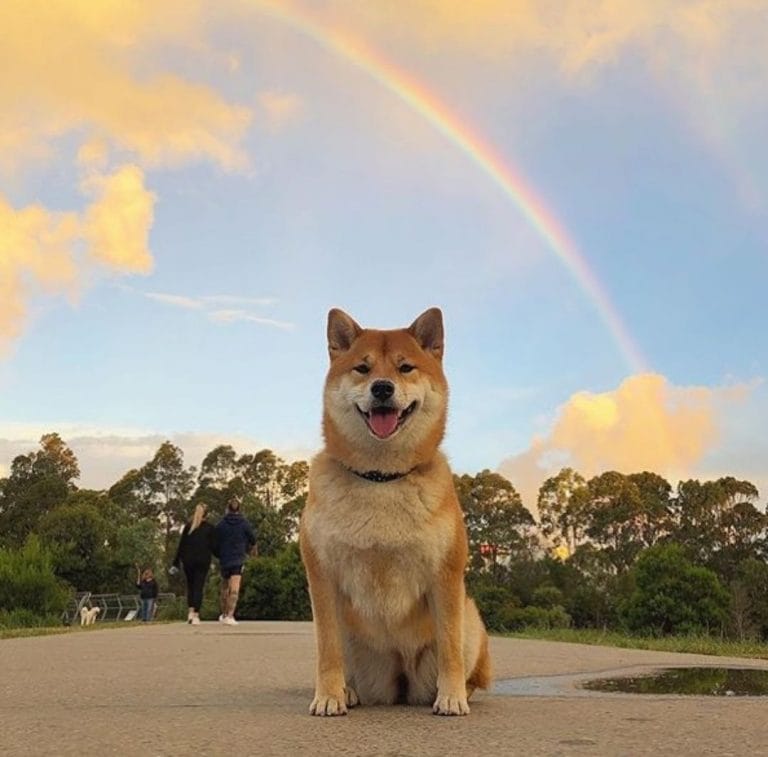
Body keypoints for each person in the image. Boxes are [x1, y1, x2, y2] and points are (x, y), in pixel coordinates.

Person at [172, 502, 217, 625]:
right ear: (207, 515)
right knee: (198, 587)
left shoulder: (188, 527)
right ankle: (196, 614)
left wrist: (175, 562)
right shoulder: (210, 528)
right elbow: (214, 547)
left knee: (190, 586)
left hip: (188, 561)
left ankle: (190, 612)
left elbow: (181, 545)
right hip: (202, 561)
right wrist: (220, 558)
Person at [215, 498, 256, 626]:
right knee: (235, 589)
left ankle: (223, 614)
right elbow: (253, 539)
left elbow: (214, 540)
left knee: (224, 588)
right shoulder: (244, 523)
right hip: (238, 558)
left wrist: (219, 554)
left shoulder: (221, 524)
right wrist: (249, 551)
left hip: (225, 559)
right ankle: (230, 615)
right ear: (239, 509)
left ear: (227, 509)